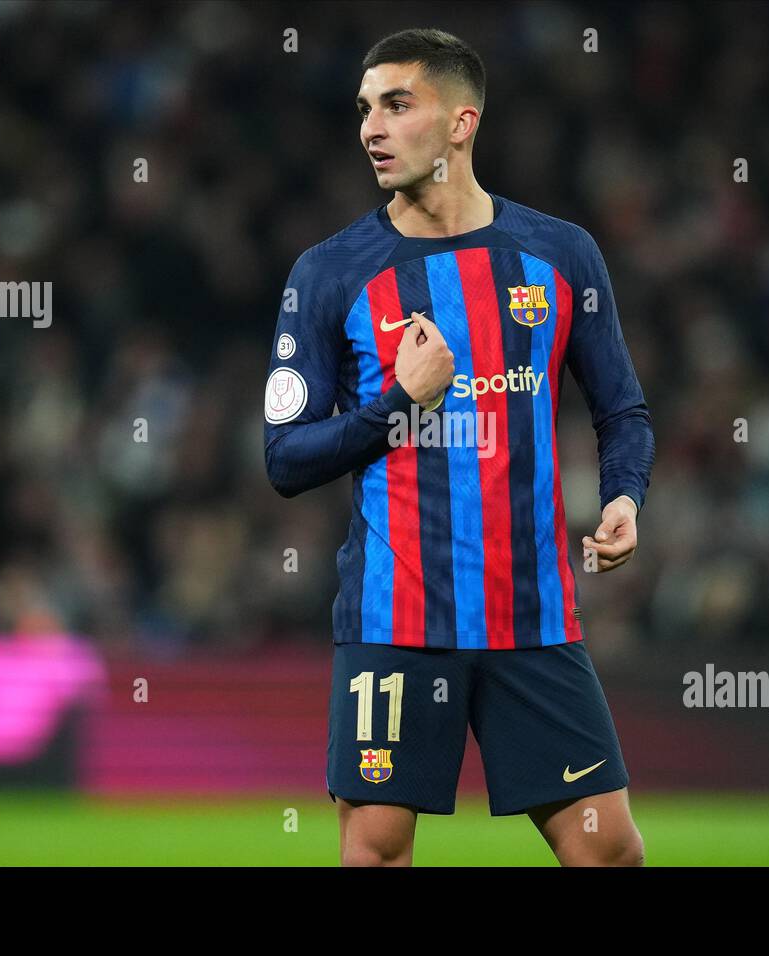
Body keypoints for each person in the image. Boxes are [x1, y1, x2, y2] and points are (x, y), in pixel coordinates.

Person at [263, 27, 655, 866]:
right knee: (376, 855)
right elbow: (285, 458)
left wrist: (623, 498)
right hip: (392, 619)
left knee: (612, 854)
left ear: (460, 123)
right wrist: (396, 403)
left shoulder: (558, 255)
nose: (372, 126)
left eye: (398, 105)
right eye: (365, 108)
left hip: (533, 617)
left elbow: (622, 411)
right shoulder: (329, 274)